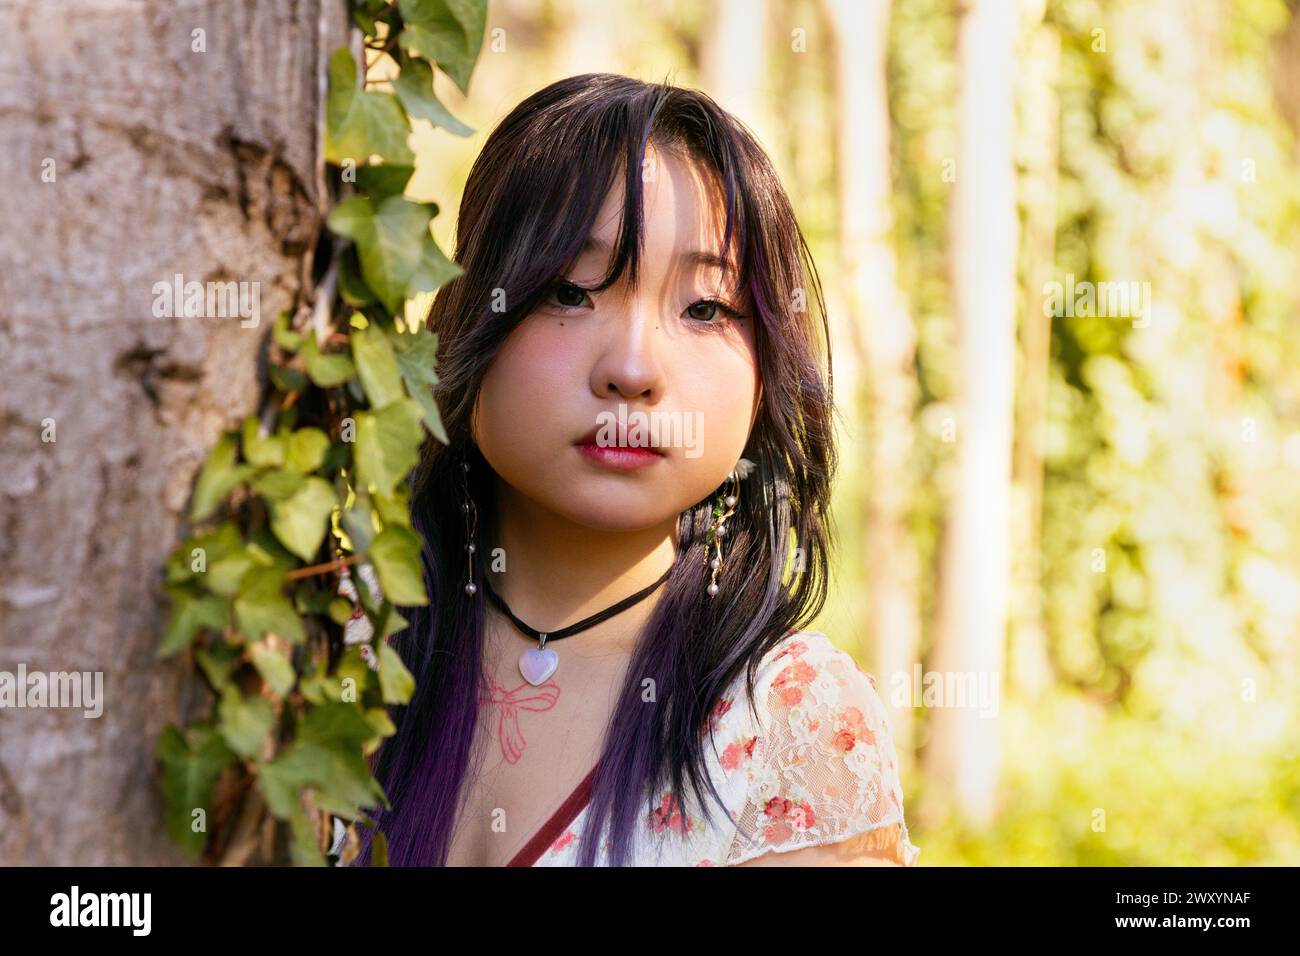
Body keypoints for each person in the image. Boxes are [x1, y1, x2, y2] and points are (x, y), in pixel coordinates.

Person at [345, 73, 920, 868]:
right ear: (469, 316)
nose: (633, 367)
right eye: (570, 291)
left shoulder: (787, 726)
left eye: (706, 308)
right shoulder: (336, 640)